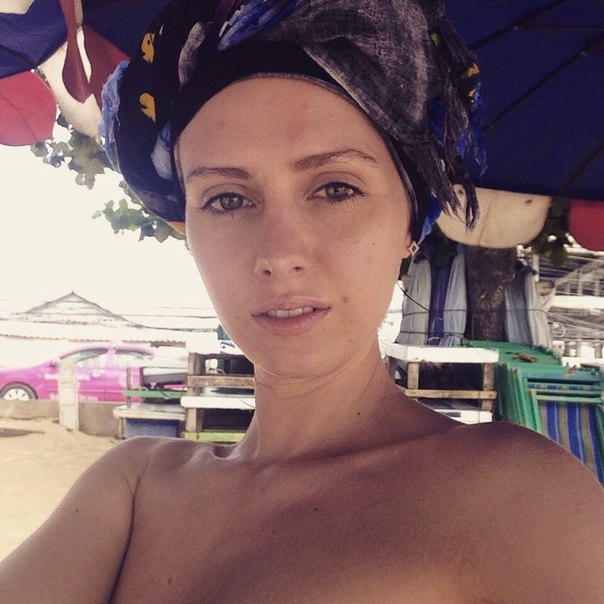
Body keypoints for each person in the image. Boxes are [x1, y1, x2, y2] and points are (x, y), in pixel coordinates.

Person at [1, 1, 603, 601]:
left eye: (336, 188)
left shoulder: (519, 498)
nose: (279, 253)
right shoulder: (133, 488)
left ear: (408, 224)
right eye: (227, 199)